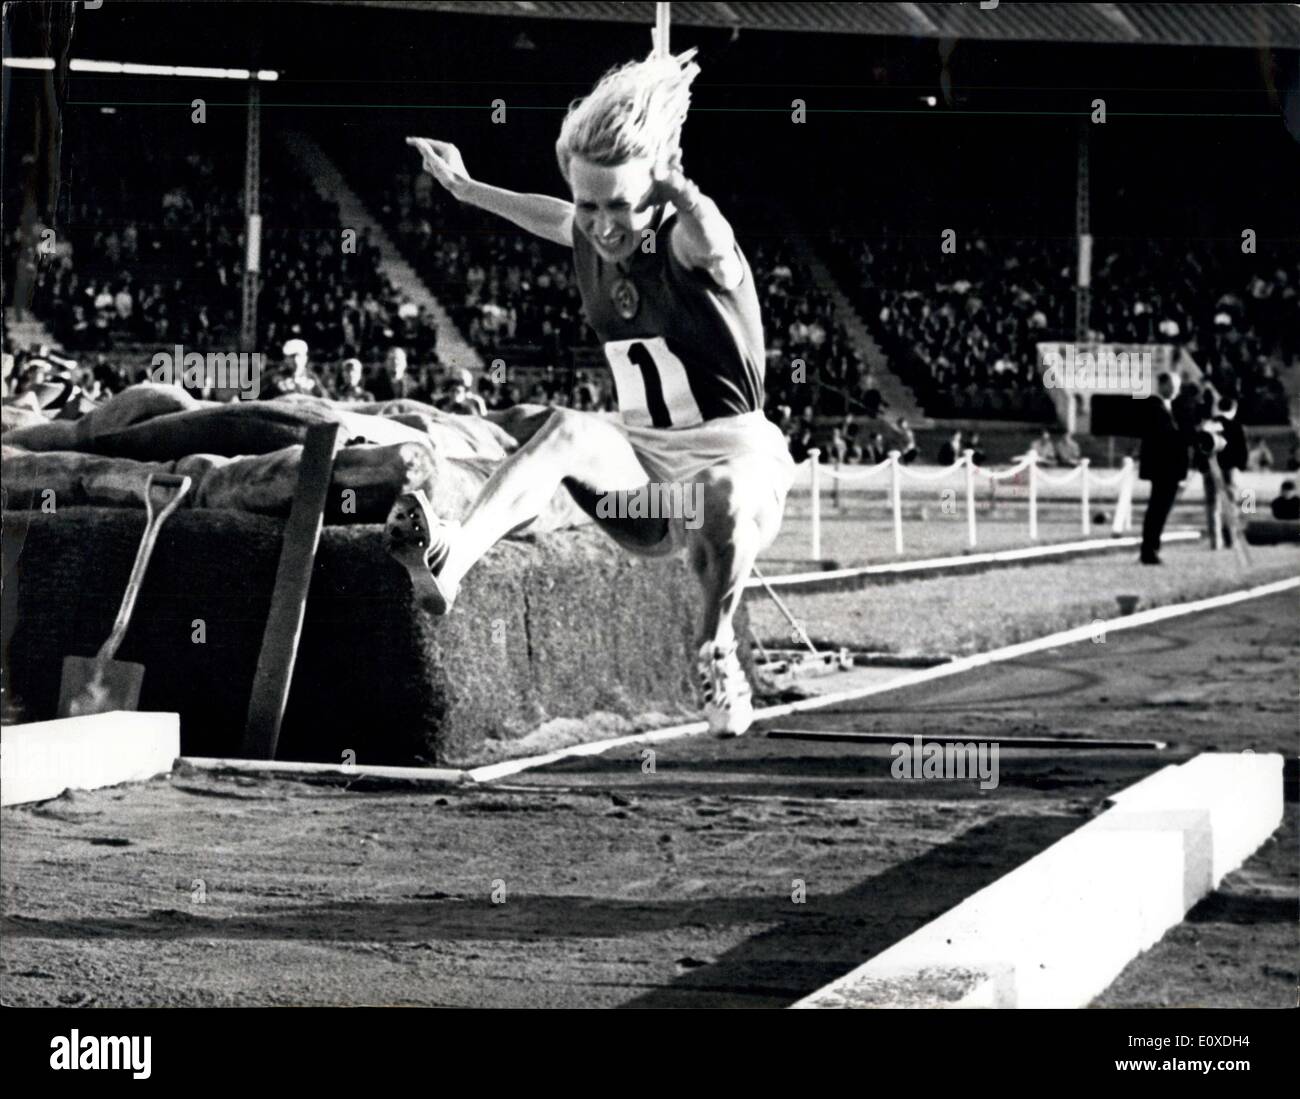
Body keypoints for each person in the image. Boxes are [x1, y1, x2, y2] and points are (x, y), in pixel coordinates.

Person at [392, 48, 794, 736]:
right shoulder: (585, 227)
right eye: (589, 204)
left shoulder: (688, 243)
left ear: (657, 195)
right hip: (649, 475)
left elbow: (718, 244)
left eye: (621, 207)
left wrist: (682, 190)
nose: (603, 226)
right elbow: (550, 213)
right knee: (568, 429)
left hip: (737, 461)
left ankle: (716, 648)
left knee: (722, 494)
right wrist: (465, 189)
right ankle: (452, 558)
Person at [1138, 372, 1191, 565]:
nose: (1177, 390)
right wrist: (1188, 436)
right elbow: (1166, 436)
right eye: (1173, 385)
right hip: (1163, 468)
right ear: (1163, 385)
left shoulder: (1168, 407)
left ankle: (1152, 547)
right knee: (1158, 509)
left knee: (1160, 509)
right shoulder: (1153, 406)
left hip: (1168, 467)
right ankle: (1149, 549)